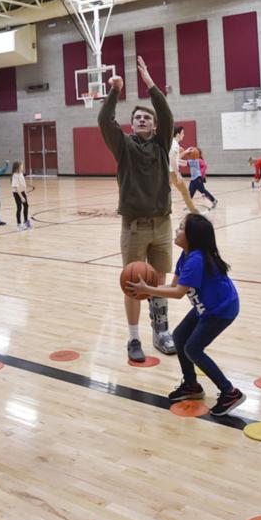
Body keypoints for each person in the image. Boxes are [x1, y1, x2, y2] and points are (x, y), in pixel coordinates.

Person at [98, 55, 177, 361]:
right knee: (133, 283)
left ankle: (161, 332)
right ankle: (133, 338)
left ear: (156, 127)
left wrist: (150, 84)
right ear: (132, 125)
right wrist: (115, 91)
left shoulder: (161, 145)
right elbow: (105, 121)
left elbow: (166, 114)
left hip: (163, 225)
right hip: (134, 227)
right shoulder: (125, 146)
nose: (143, 120)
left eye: (148, 118)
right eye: (138, 118)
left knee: (158, 283)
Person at [127, 213, 243, 416]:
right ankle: (191, 385)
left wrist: (149, 289)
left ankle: (230, 392)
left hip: (221, 310)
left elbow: (178, 294)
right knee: (180, 337)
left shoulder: (196, 260)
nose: (176, 230)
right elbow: (173, 286)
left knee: (193, 349)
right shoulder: (187, 255)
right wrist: (148, 289)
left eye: (181, 227)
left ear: (192, 236)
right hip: (205, 307)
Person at [170, 126, 200, 215]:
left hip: (169, 172)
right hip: (172, 172)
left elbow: (175, 158)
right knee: (185, 192)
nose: (184, 135)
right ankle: (196, 213)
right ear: (178, 134)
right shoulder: (174, 144)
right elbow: (172, 159)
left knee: (166, 193)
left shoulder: (173, 143)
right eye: (183, 133)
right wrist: (177, 173)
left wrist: (186, 152)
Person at [11, 161, 31, 230]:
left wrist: (25, 193)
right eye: (21, 165)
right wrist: (21, 196)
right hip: (17, 193)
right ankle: (19, 224)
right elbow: (16, 187)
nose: (22, 167)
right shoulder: (15, 175)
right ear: (17, 167)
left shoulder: (21, 174)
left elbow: (23, 184)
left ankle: (25, 221)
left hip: (22, 192)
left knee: (26, 205)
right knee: (19, 207)